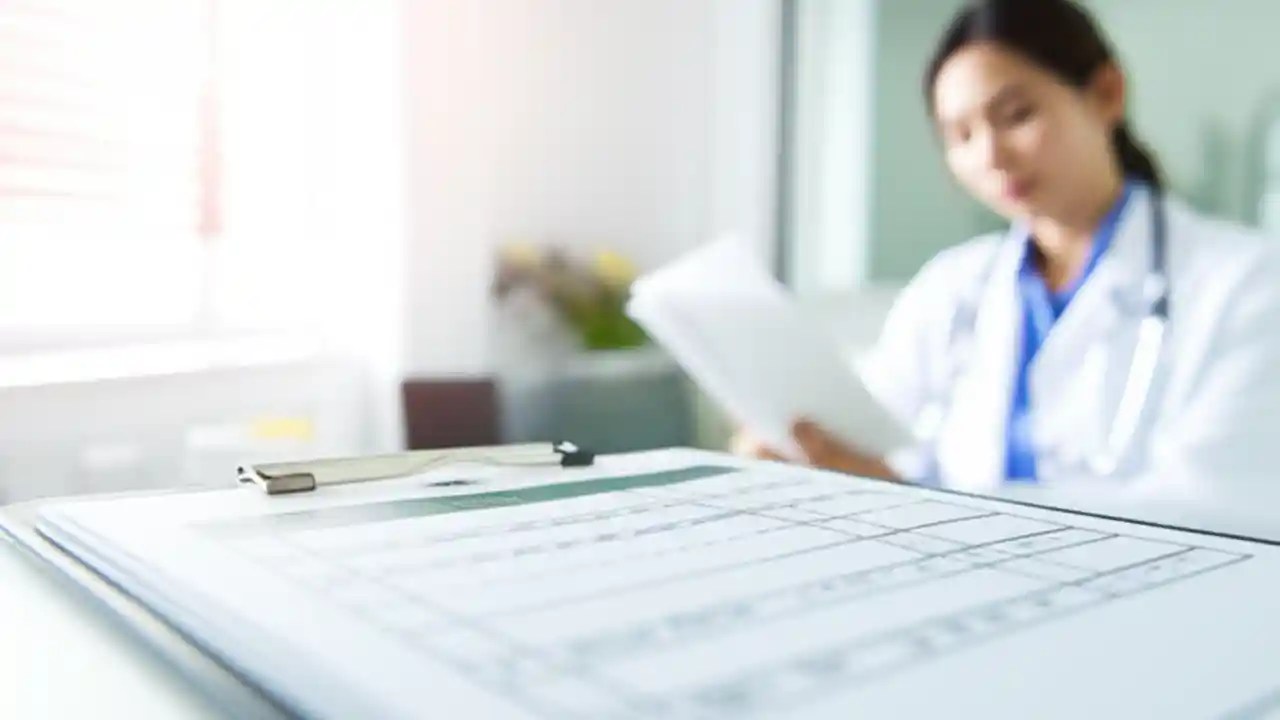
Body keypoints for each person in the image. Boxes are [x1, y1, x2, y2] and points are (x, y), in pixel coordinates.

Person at [737, 0, 1280, 496]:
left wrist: (921, 502)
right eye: (961, 135)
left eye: (1017, 115)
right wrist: (792, 445)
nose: (991, 155)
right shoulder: (952, 288)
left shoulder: (1245, 284)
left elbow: (1208, 505)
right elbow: (870, 427)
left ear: (1106, 94)